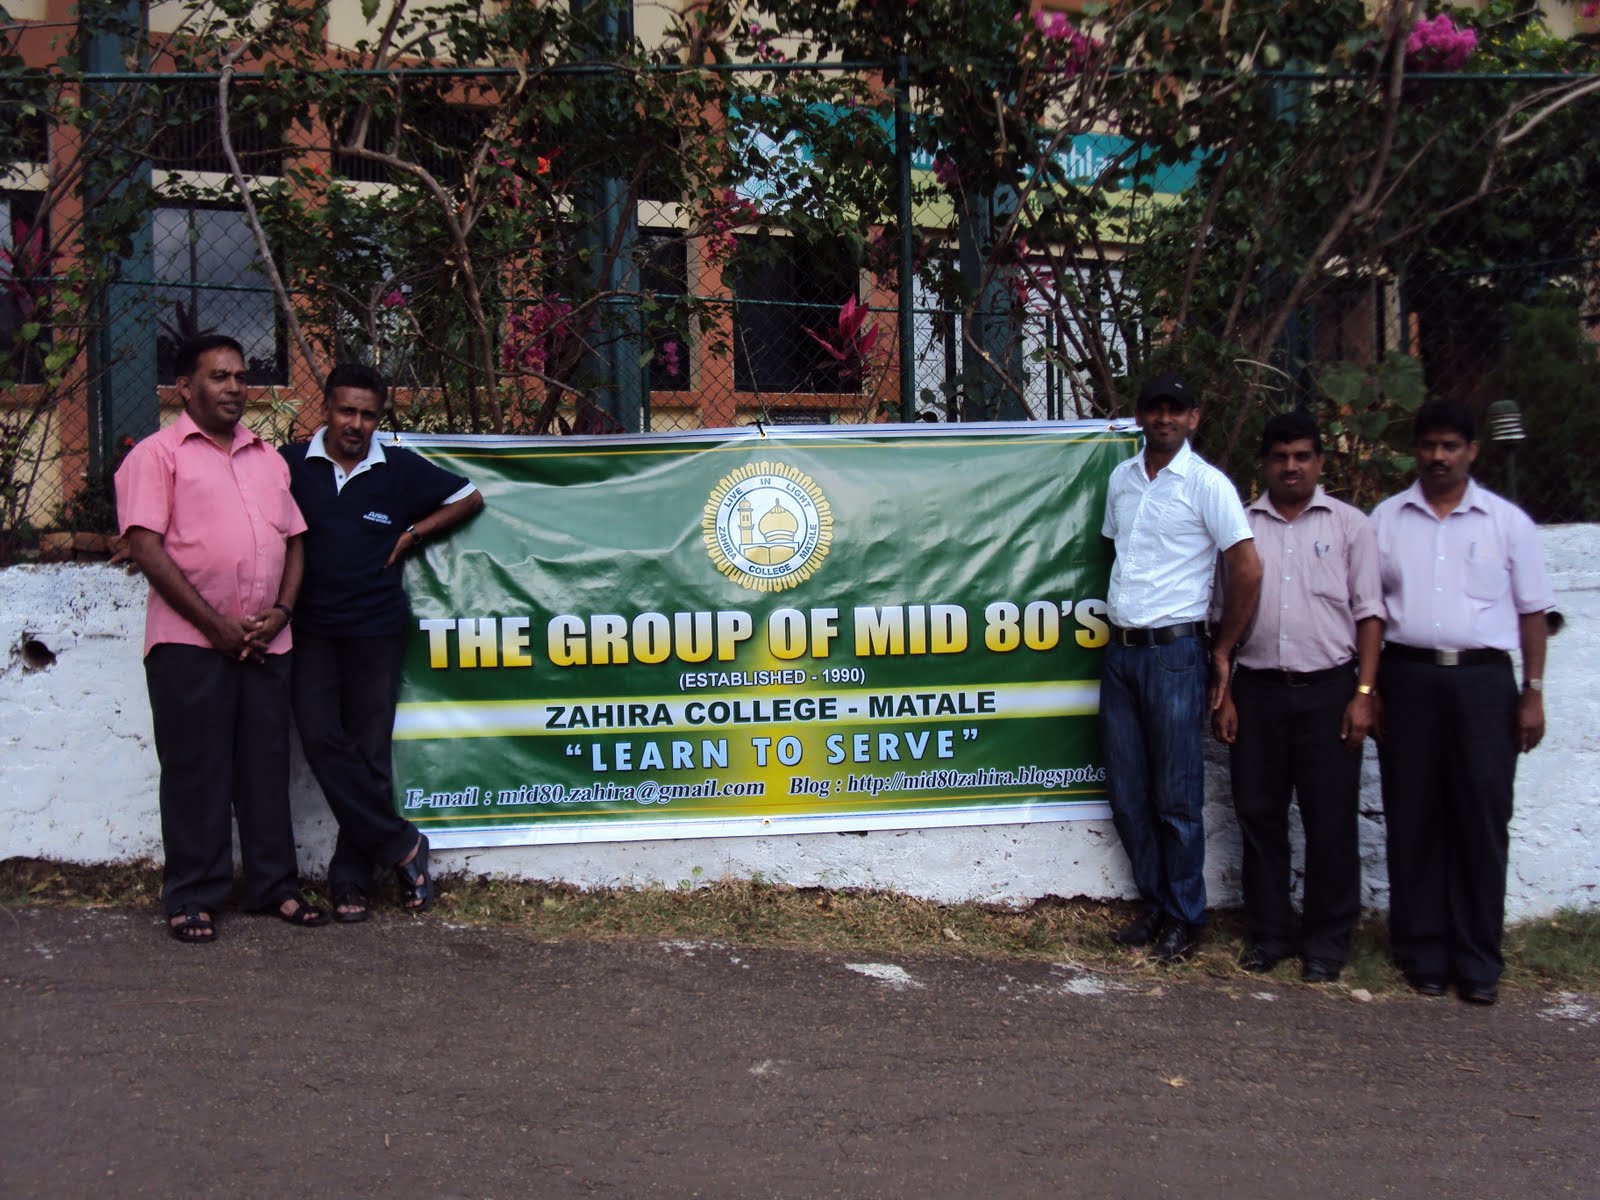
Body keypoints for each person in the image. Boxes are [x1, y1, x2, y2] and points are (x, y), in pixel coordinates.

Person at [115, 334, 328, 942]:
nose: (235, 387)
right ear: (185, 388)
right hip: (189, 642)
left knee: (265, 769)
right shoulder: (157, 457)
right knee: (196, 769)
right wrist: (215, 625)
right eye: (219, 376)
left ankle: (273, 887)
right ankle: (192, 895)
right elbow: (147, 549)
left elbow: (293, 541)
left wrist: (283, 611)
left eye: (240, 376)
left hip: (266, 641)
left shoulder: (268, 458)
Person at [281, 363, 484, 921]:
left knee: (369, 753)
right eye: (347, 411)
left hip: (376, 628)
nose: (356, 424)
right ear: (325, 407)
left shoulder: (396, 469)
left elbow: (469, 497)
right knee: (322, 738)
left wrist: (414, 532)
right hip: (311, 627)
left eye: (368, 414)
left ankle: (351, 881)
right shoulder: (290, 465)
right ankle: (402, 844)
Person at [1370, 399, 1553, 1006]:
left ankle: (1478, 959)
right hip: (1409, 677)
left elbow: (1532, 612)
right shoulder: (1387, 521)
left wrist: (1533, 692)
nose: (1439, 456)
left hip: (1483, 685)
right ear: (1415, 450)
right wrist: (1369, 692)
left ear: (1472, 451)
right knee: (1413, 816)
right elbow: (1368, 613)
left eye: (1451, 446)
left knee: (1481, 817)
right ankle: (1422, 952)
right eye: (1429, 445)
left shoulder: (1506, 523)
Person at [1212, 411, 1382, 983]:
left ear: (1319, 462)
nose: (1291, 466)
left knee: (1330, 820)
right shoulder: (1239, 528)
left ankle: (1328, 942)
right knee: (1258, 816)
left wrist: (1364, 693)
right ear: (1264, 464)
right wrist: (1227, 692)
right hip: (1257, 690)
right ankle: (1270, 934)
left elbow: (1370, 616)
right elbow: (1223, 617)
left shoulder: (1349, 526)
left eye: (1302, 456)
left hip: (1330, 691)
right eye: (1281, 457)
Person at [1100, 373, 1262, 963]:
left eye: (1176, 410)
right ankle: (1157, 903)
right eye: (1154, 409)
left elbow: (1246, 569)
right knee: (1126, 790)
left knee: (1176, 796)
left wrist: (1222, 650)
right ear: (1140, 417)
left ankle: (1186, 917)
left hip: (1175, 654)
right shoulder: (1121, 480)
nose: (1164, 419)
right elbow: (1114, 551)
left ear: (1194, 419)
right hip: (1120, 651)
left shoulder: (1207, 485)